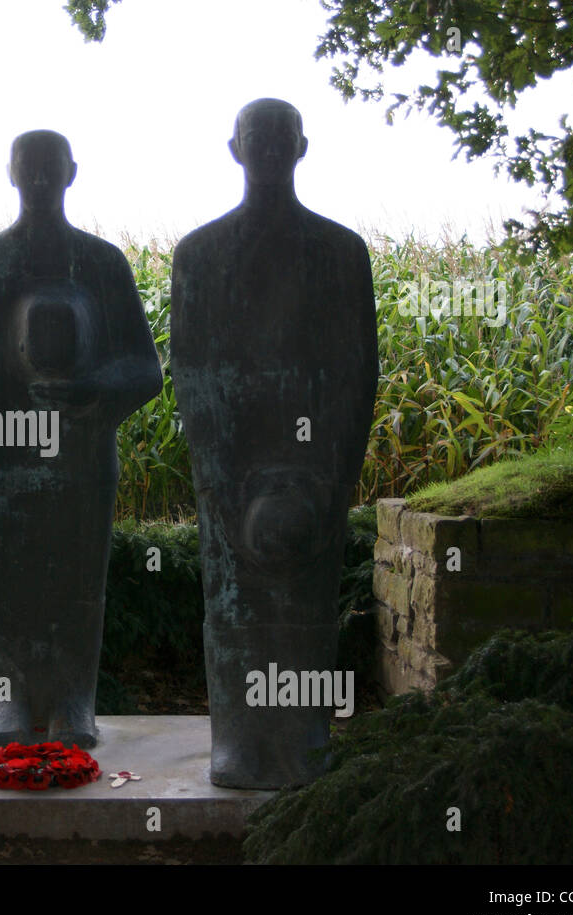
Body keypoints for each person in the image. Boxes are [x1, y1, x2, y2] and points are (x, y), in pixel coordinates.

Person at [171, 99, 378, 788]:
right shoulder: (199, 254)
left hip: (313, 464)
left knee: (304, 607)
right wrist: (218, 477)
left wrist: (332, 472)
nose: (266, 150)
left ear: (301, 148)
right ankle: (238, 739)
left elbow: (355, 371)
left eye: (279, 139)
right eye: (255, 139)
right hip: (232, 464)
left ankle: (301, 736)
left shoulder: (340, 251)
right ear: (235, 149)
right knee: (235, 608)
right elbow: (193, 369)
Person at [0, 130, 162, 748]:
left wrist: (94, 391)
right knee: (5, 585)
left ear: (72, 173)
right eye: (28, 169)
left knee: (77, 583)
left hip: (81, 461)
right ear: (11, 174)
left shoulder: (101, 264)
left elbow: (146, 368)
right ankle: (7, 699)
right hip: (1, 455)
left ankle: (74, 698)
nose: (39, 180)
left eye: (49, 169)